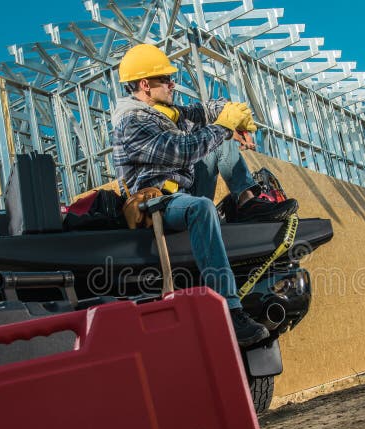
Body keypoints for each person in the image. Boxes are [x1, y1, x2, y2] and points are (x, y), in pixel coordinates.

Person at [112, 43, 299, 347]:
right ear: (145, 85)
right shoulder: (132, 122)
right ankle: (230, 308)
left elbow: (202, 111)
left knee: (219, 138)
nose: (173, 84)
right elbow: (180, 151)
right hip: (159, 201)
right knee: (201, 206)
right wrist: (223, 127)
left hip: (183, 190)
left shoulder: (166, 113)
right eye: (166, 80)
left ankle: (247, 201)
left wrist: (232, 115)